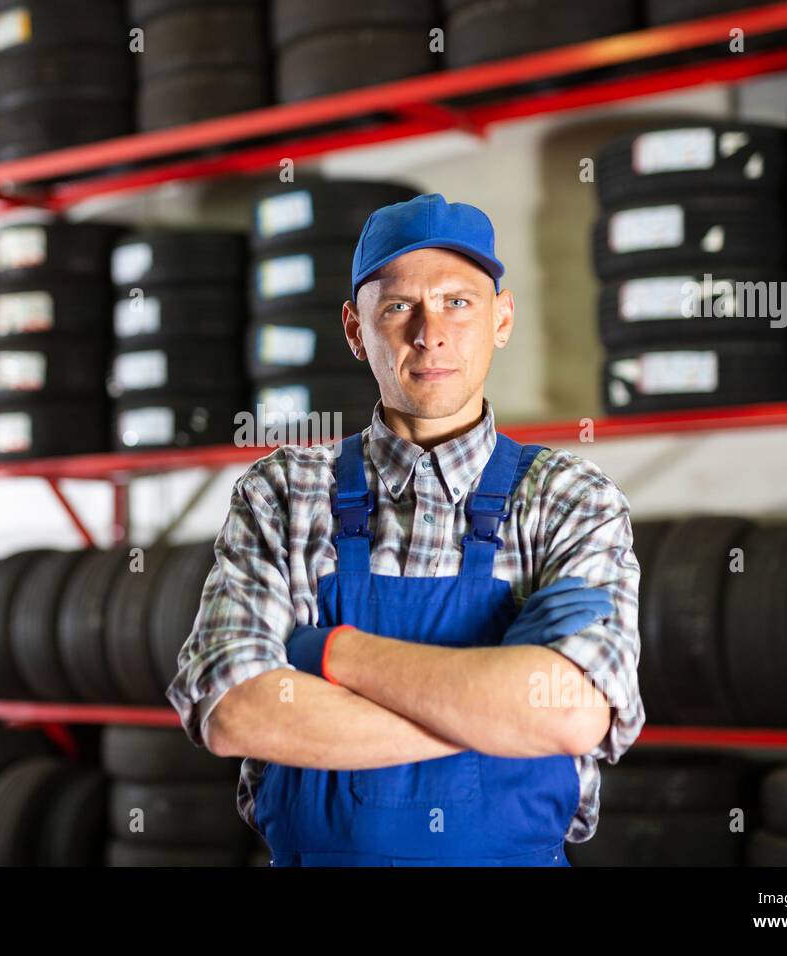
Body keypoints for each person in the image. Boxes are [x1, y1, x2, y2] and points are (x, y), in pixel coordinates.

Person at [166, 192, 645, 866]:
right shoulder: (283, 493)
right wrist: (494, 713)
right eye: (397, 307)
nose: (430, 333)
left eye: (458, 302)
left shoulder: (570, 499)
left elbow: (569, 711)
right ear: (355, 329)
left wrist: (330, 655)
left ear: (501, 319)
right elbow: (235, 709)